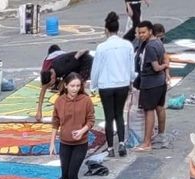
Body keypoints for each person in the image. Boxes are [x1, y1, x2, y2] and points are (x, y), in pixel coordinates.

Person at [90, 12, 136, 156]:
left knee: (108, 117)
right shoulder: (127, 45)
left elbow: (96, 68)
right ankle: (121, 142)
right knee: (119, 114)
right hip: (122, 83)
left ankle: (110, 148)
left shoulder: (102, 47)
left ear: (106, 30)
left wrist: (93, 85)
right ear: (118, 29)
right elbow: (131, 66)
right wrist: (130, 80)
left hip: (106, 84)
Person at [50, 73, 95, 179]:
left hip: (80, 143)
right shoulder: (60, 101)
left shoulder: (86, 100)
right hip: (64, 142)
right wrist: (52, 142)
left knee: (72, 173)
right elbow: (55, 122)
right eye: (72, 86)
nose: (75, 89)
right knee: (64, 173)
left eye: (77, 86)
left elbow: (91, 120)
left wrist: (82, 131)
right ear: (66, 85)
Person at [133, 22, 167, 152]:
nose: (141, 35)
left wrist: (163, 67)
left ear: (150, 31)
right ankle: (161, 135)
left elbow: (156, 67)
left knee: (149, 110)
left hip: (150, 83)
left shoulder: (151, 47)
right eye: (139, 32)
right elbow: (165, 59)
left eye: (143, 32)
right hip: (160, 82)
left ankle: (147, 143)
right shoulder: (158, 43)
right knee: (159, 107)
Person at [35, 45, 93, 117]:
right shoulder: (48, 70)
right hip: (74, 65)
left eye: (51, 84)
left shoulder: (61, 68)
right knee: (65, 88)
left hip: (86, 64)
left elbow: (80, 53)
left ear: (52, 76)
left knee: (77, 87)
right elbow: (43, 89)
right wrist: (39, 111)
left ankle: (85, 109)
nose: (51, 86)